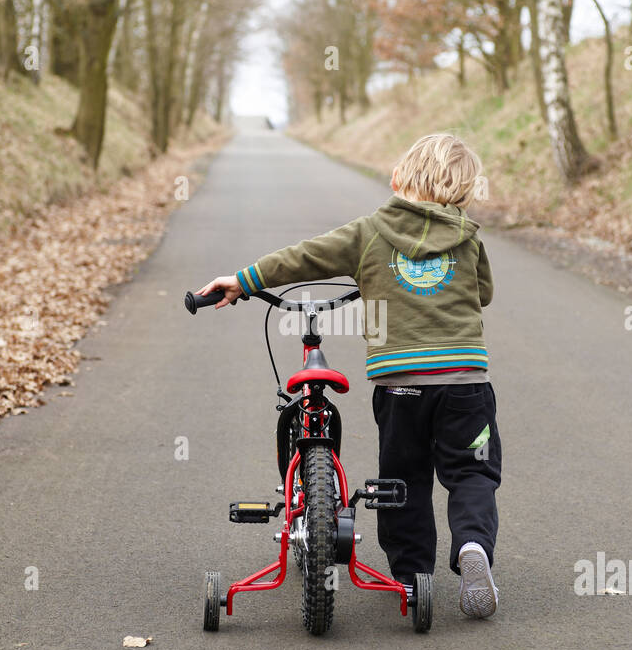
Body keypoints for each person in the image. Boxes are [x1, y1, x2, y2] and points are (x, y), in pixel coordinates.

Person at [196, 130, 502, 618]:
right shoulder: (468, 237)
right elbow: (482, 293)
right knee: (471, 474)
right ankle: (472, 549)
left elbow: (304, 257)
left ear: (399, 177)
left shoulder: (369, 232)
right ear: (462, 193)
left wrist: (243, 280)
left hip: (400, 385)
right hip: (465, 381)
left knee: (405, 477)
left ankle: (412, 579)